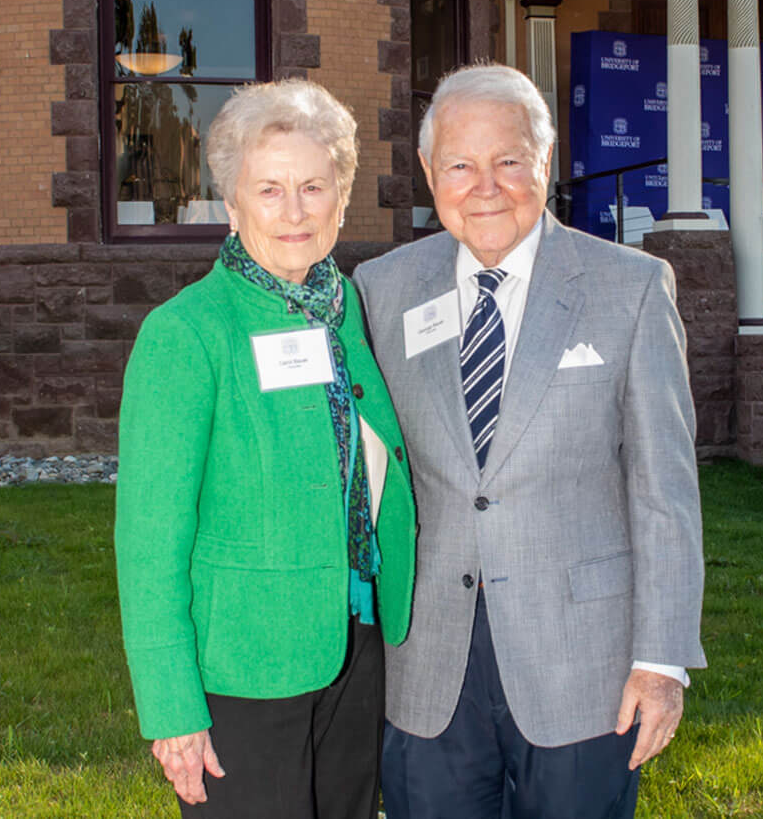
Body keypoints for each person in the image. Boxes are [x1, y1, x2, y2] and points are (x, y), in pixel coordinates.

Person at [353, 63, 706, 819]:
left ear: (545, 160)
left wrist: (661, 659)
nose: (486, 186)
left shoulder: (630, 288)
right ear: (429, 172)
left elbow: (665, 492)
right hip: (427, 663)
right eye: (460, 165)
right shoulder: (380, 291)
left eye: (508, 160)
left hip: (584, 665)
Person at [115, 78, 416, 819]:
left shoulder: (348, 310)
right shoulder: (186, 333)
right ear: (232, 203)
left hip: (357, 643)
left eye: (313, 187)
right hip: (243, 670)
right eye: (270, 189)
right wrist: (172, 708)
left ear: (341, 198)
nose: (295, 211)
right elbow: (148, 544)